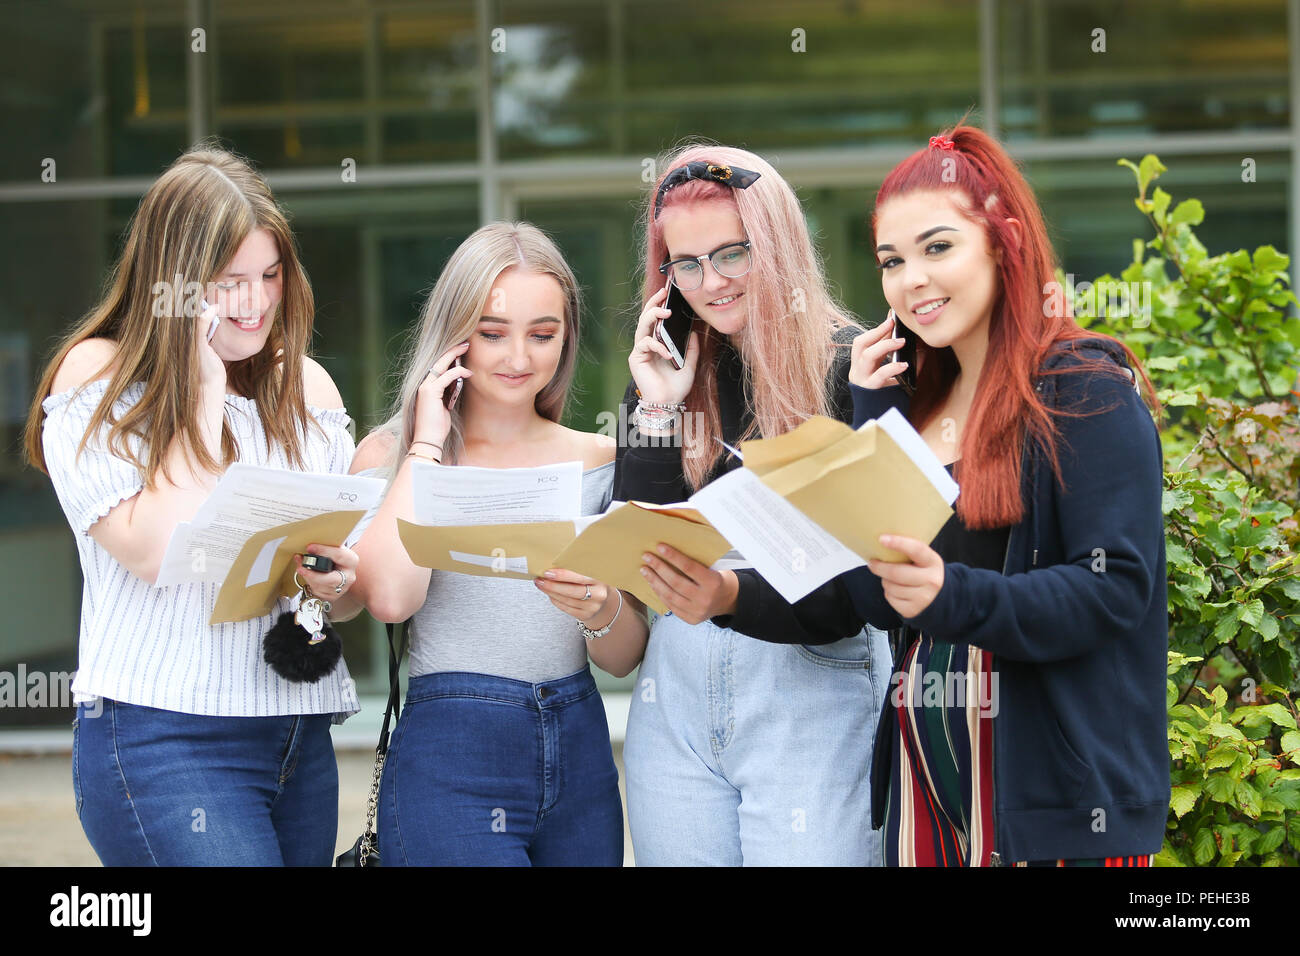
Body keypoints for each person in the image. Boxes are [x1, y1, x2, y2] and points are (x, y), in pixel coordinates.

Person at [23, 144, 363, 866]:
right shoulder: (101, 379)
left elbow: (341, 594)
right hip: (163, 738)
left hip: (299, 737)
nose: (256, 301)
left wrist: (329, 584)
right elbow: (157, 551)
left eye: (270, 275)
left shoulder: (309, 389)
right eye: (229, 281)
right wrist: (202, 385)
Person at [844, 124, 1169, 866]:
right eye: (892, 261)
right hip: (927, 787)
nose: (911, 280)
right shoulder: (915, 406)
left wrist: (950, 595)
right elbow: (872, 599)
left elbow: (1113, 588)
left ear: (1004, 242)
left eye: (937, 248)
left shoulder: (1086, 390)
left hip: (1053, 799)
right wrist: (872, 414)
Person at [615, 143, 892, 866]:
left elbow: (861, 591)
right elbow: (641, 560)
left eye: (732, 254)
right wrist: (654, 410)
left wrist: (729, 593)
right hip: (676, 697)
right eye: (686, 263)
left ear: (776, 244)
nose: (711, 282)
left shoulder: (850, 367)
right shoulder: (667, 371)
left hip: (812, 683)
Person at [349, 222, 648, 867]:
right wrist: (426, 446)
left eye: (543, 335)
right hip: (453, 748)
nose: (519, 358)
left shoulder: (600, 461)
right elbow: (392, 600)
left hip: (579, 743)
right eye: (492, 333)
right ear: (454, 335)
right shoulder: (392, 456)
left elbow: (625, 658)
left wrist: (599, 607)